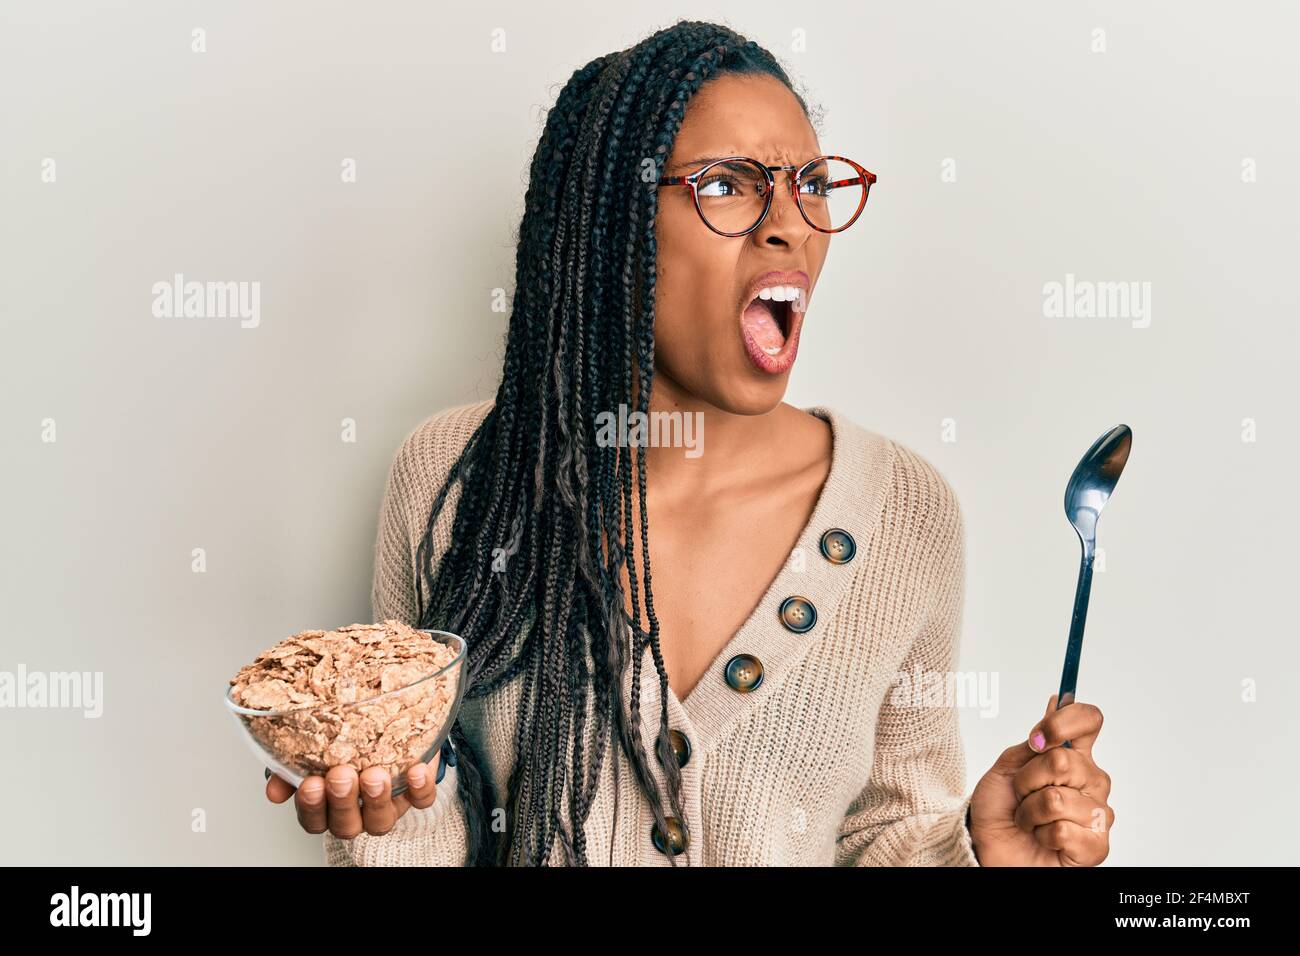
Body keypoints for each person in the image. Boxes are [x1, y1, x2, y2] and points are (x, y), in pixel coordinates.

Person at [265, 19, 1114, 867]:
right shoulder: (456, 477)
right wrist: (383, 816)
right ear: (614, 224)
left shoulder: (908, 513)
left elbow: (885, 835)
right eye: (729, 184)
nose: (792, 224)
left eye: (812, 184)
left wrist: (979, 851)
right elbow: (429, 804)